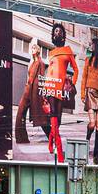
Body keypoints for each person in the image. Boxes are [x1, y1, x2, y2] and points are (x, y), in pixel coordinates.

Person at [39, 23, 79, 165]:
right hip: (50, 86)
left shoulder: (68, 50)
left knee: (58, 120)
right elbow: (50, 71)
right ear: (53, 35)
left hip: (60, 88)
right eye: (56, 31)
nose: (58, 33)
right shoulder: (50, 53)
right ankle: (59, 151)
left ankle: (50, 141)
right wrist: (44, 87)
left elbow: (76, 69)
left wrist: (72, 83)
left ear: (63, 35)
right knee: (53, 115)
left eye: (60, 31)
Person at [15, 38, 49, 146]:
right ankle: (21, 138)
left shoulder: (40, 63)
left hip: (33, 92)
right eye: (32, 48)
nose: (32, 49)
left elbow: (42, 78)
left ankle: (51, 135)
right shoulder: (33, 62)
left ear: (38, 50)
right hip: (28, 89)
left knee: (40, 117)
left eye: (34, 48)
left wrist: (42, 93)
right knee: (21, 113)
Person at [81, 34, 98, 164]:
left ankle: (96, 156)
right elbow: (84, 77)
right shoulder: (88, 60)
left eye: (93, 45)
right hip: (90, 93)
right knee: (92, 124)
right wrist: (82, 94)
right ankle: (86, 142)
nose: (91, 47)